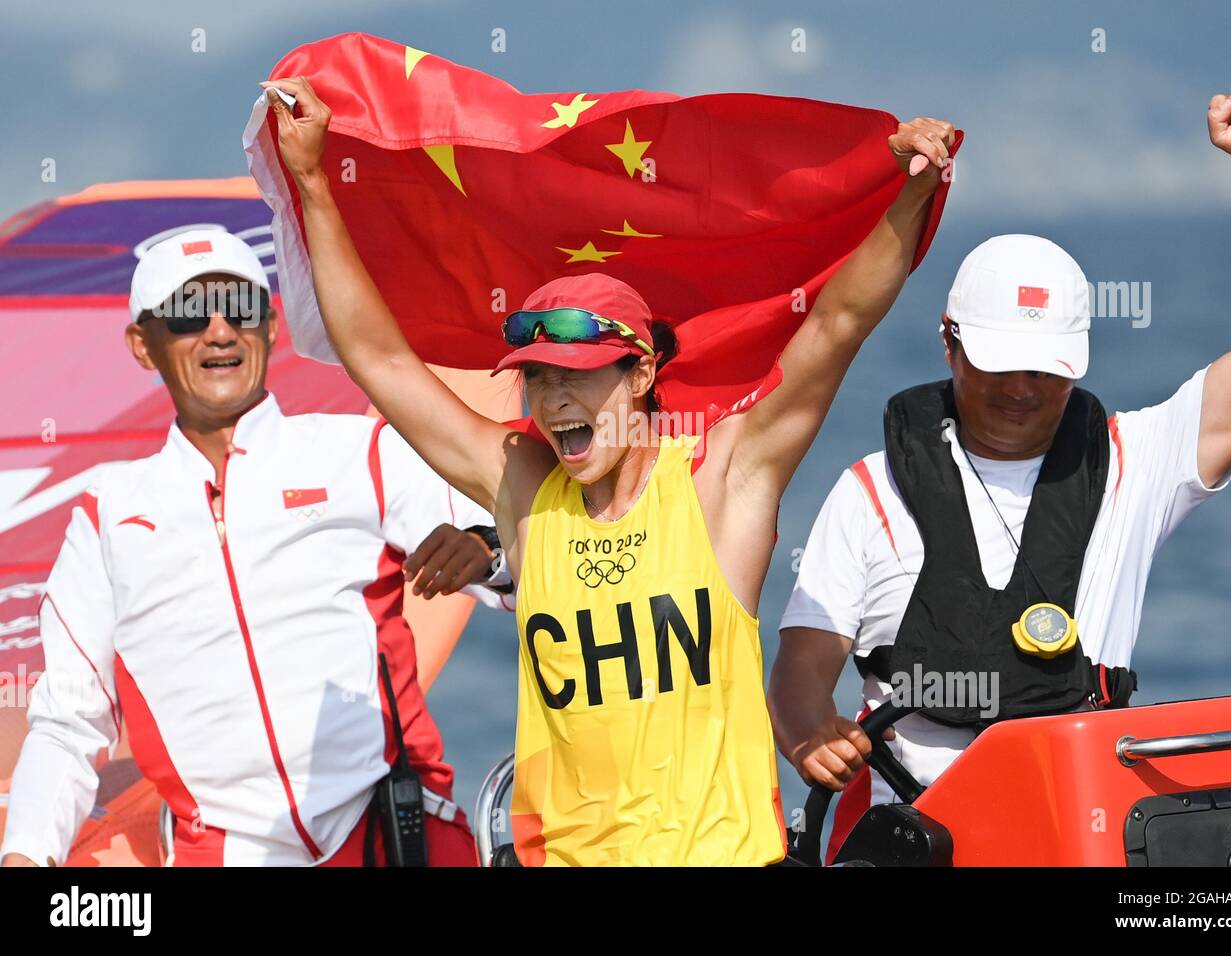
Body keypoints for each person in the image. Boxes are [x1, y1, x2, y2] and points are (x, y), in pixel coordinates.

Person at [261, 75, 956, 865]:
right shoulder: (524, 492)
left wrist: (914, 187)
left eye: (579, 374)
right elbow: (378, 358)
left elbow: (835, 325)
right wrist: (315, 181)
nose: (555, 399)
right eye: (539, 377)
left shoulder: (718, 488)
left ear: (641, 373)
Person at [771, 91, 1231, 842]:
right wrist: (806, 735)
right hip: (914, 830)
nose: (1022, 390)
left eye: (1046, 370)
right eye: (1000, 365)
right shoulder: (868, 492)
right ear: (949, 343)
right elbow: (800, 667)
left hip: (1079, 824)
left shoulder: (1134, 465)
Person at [0, 229, 512, 867]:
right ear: (142, 345)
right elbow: (68, 723)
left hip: (396, 834)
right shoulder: (107, 515)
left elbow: (527, 562)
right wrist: (24, 856)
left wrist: (488, 553)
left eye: (240, 308)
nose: (220, 331)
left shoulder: (362, 451)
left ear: (270, 327)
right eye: (189, 312)